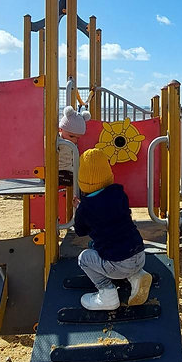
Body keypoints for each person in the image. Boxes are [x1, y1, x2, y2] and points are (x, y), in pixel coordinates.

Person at [73, 147, 151, 311]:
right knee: (103, 245)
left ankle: (107, 294)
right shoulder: (119, 193)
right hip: (139, 253)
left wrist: (79, 210)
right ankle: (137, 276)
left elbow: (80, 230)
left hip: (118, 265)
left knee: (84, 258)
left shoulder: (86, 208)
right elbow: (113, 214)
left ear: (82, 181)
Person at [58, 105, 90, 187]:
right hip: (57, 170)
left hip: (68, 170)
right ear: (60, 129)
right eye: (71, 136)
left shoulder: (70, 142)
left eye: (78, 138)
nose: (74, 140)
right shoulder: (57, 140)